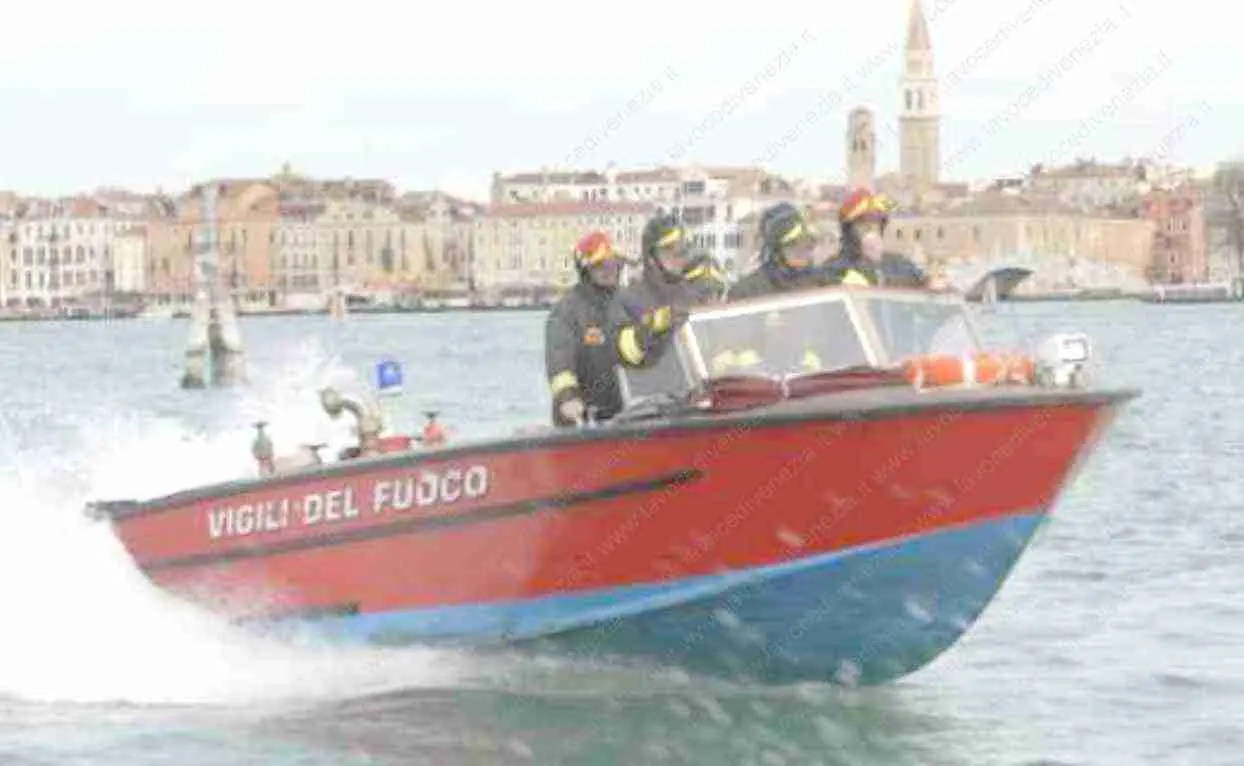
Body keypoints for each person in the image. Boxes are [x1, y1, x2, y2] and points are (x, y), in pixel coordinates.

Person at [610, 213, 726, 369]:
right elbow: (624, 355)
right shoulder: (627, 299)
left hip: (697, 386)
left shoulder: (692, 292)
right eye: (669, 250)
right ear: (651, 258)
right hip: (655, 389)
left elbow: (713, 339)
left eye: (683, 248)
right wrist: (653, 325)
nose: (679, 256)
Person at [544, 230, 627, 427]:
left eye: (611, 263)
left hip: (631, 413)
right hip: (585, 420)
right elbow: (559, 360)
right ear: (585, 270)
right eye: (599, 266)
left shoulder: (630, 304)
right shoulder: (566, 313)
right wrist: (567, 397)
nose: (608, 269)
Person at [823, 188, 930, 288]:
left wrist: (933, 283)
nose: (871, 231)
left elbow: (923, 284)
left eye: (875, 224)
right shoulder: (833, 268)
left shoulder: (899, 264)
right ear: (848, 231)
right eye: (863, 224)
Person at [728, 202, 834, 300]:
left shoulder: (825, 284)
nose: (804, 252)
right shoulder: (747, 290)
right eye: (794, 246)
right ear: (776, 251)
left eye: (809, 244)